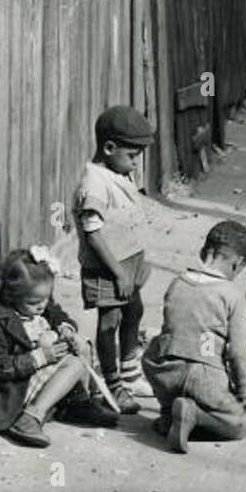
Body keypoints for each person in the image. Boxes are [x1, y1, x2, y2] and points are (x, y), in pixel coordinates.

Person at [0, 247, 117, 447]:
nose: (42, 306)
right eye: (35, 302)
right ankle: (30, 416)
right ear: (11, 296)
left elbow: (56, 312)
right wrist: (39, 358)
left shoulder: (35, 305)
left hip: (29, 374)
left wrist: (66, 329)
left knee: (83, 346)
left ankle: (78, 402)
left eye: (46, 298)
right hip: (8, 389)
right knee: (75, 363)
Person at [143, 221, 246, 454]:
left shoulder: (177, 283)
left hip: (164, 369)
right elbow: (236, 353)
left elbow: (174, 327)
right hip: (204, 376)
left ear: (204, 252)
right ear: (238, 264)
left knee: (159, 344)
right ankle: (193, 416)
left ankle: (168, 414)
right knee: (240, 425)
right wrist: (243, 389)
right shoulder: (231, 296)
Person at [72, 105, 156, 414]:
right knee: (110, 321)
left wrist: (137, 262)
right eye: (132, 156)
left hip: (127, 263)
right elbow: (93, 234)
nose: (136, 163)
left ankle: (130, 373)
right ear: (109, 148)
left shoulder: (116, 171)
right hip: (107, 267)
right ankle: (111, 382)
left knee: (134, 310)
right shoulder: (93, 183)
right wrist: (119, 273)